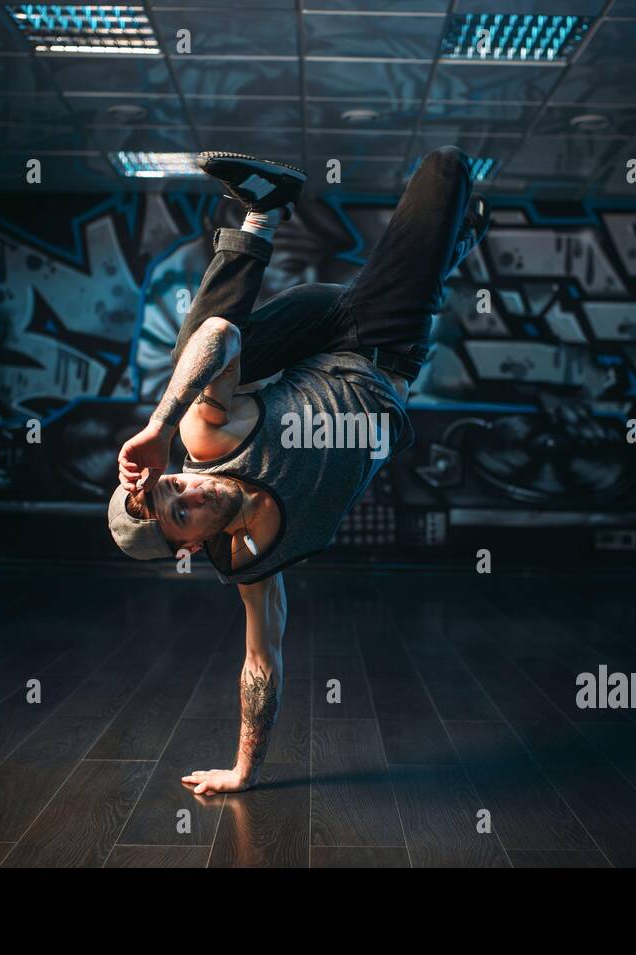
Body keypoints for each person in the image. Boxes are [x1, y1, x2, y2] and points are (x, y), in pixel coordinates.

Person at [108, 147, 489, 794]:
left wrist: (161, 424)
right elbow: (261, 662)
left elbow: (224, 339)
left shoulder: (203, 437)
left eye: (175, 483)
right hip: (379, 339)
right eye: (181, 511)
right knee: (446, 169)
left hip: (308, 329)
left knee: (190, 355)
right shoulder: (253, 560)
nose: (191, 488)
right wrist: (243, 770)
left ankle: (262, 208)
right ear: (191, 545)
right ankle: (453, 244)